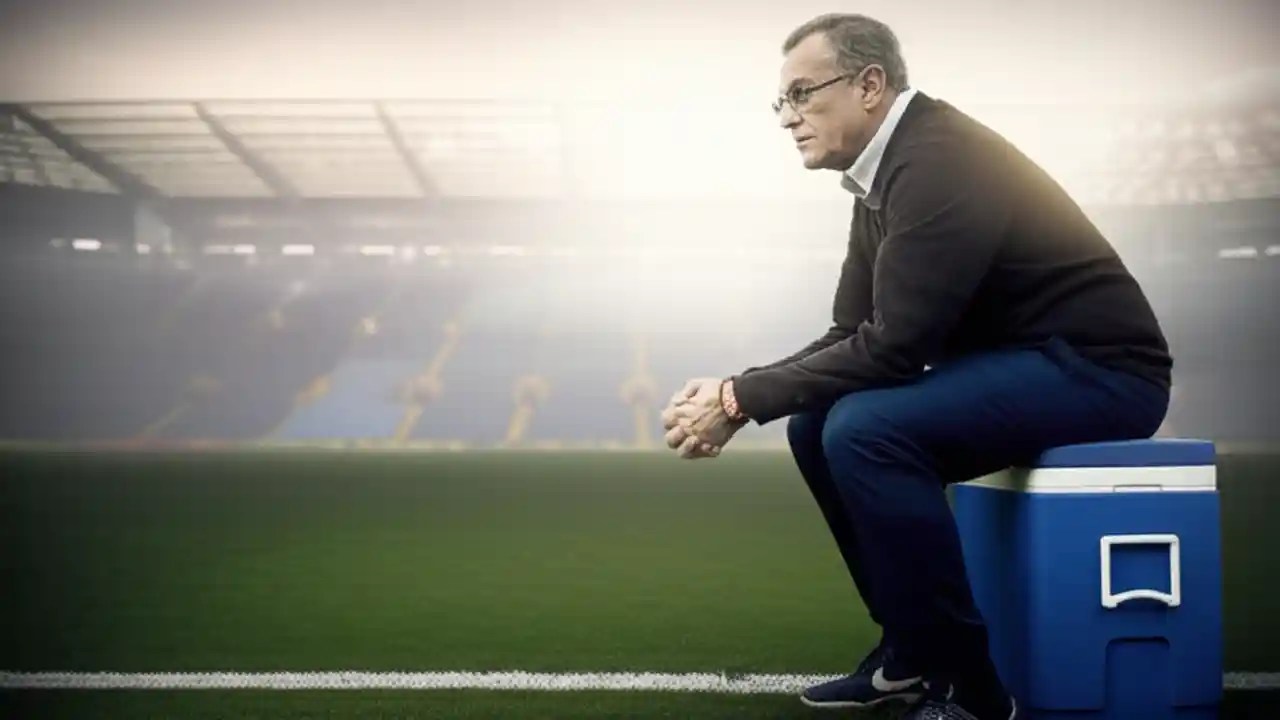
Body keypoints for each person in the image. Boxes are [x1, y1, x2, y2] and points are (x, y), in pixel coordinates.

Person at [661, 13, 1172, 720]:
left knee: (867, 430)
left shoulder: (939, 159)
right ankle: (907, 654)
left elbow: (899, 346)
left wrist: (739, 399)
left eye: (803, 93)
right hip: (1025, 361)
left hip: (1101, 371)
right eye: (782, 101)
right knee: (814, 422)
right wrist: (735, 390)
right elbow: (851, 331)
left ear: (870, 85)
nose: (788, 118)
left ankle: (973, 690)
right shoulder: (883, 175)